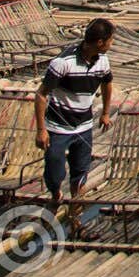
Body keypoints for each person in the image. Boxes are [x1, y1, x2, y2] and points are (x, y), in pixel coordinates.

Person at [35, 18, 114, 234]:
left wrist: (105, 113)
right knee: (54, 169)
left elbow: (107, 84)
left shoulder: (103, 61)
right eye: (110, 40)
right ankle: (55, 196)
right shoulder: (62, 63)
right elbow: (41, 95)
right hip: (58, 127)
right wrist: (41, 130)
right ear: (100, 42)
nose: (111, 44)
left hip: (84, 126)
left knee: (80, 172)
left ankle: (75, 214)